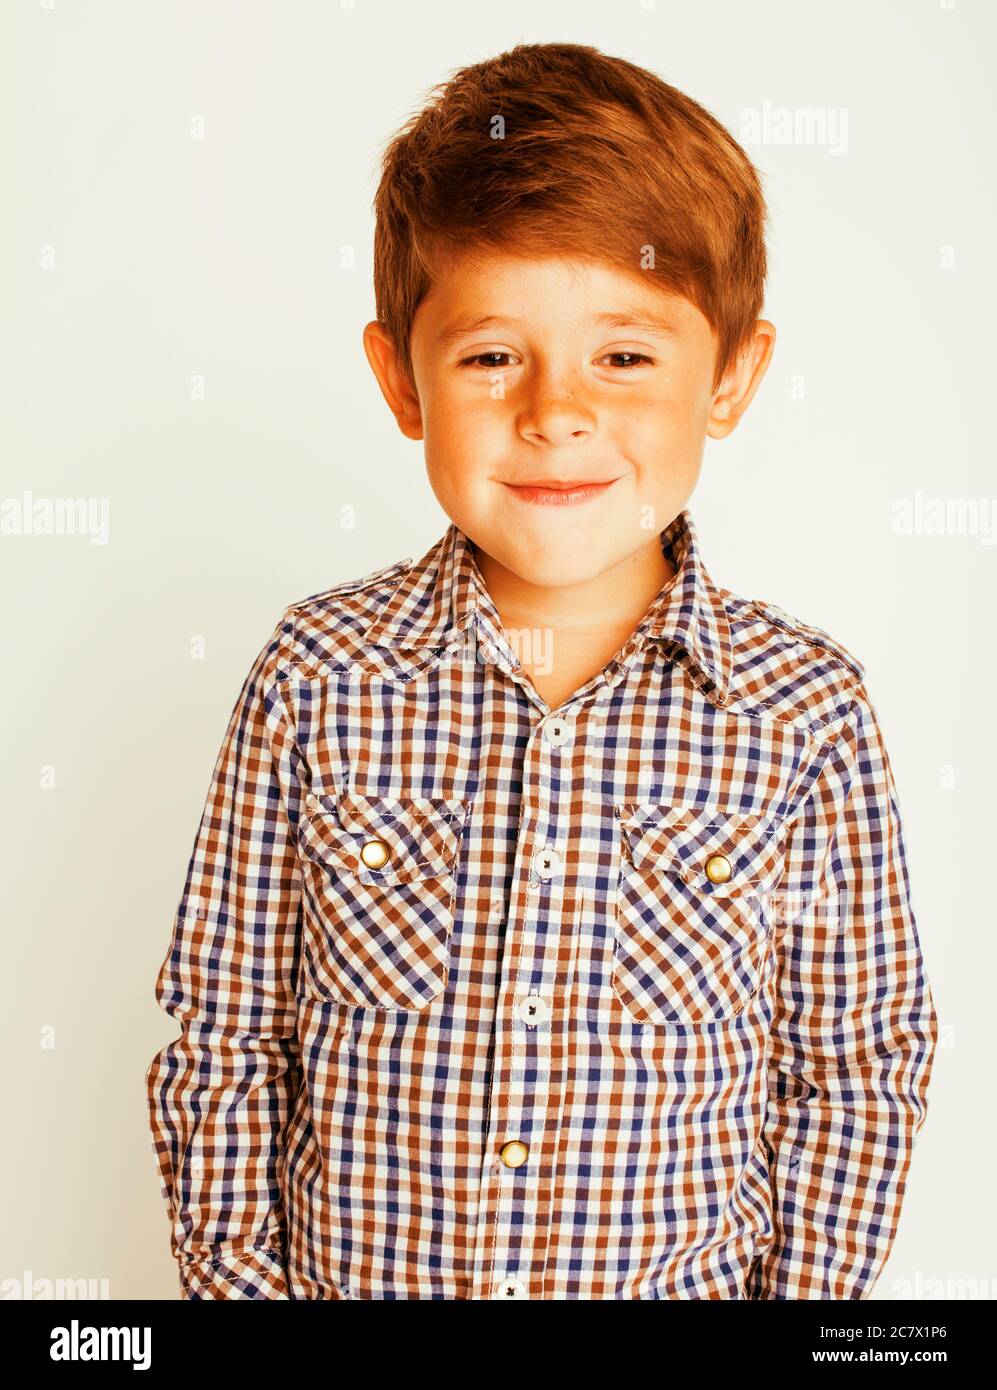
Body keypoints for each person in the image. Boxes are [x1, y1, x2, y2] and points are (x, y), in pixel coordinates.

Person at [145, 41, 938, 1300]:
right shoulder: (316, 676)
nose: (555, 411)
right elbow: (230, 1038)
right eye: (490, 355)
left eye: (623, 357)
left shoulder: (805, 712)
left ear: (729, 376)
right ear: (401, 379)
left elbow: (855, 1064)